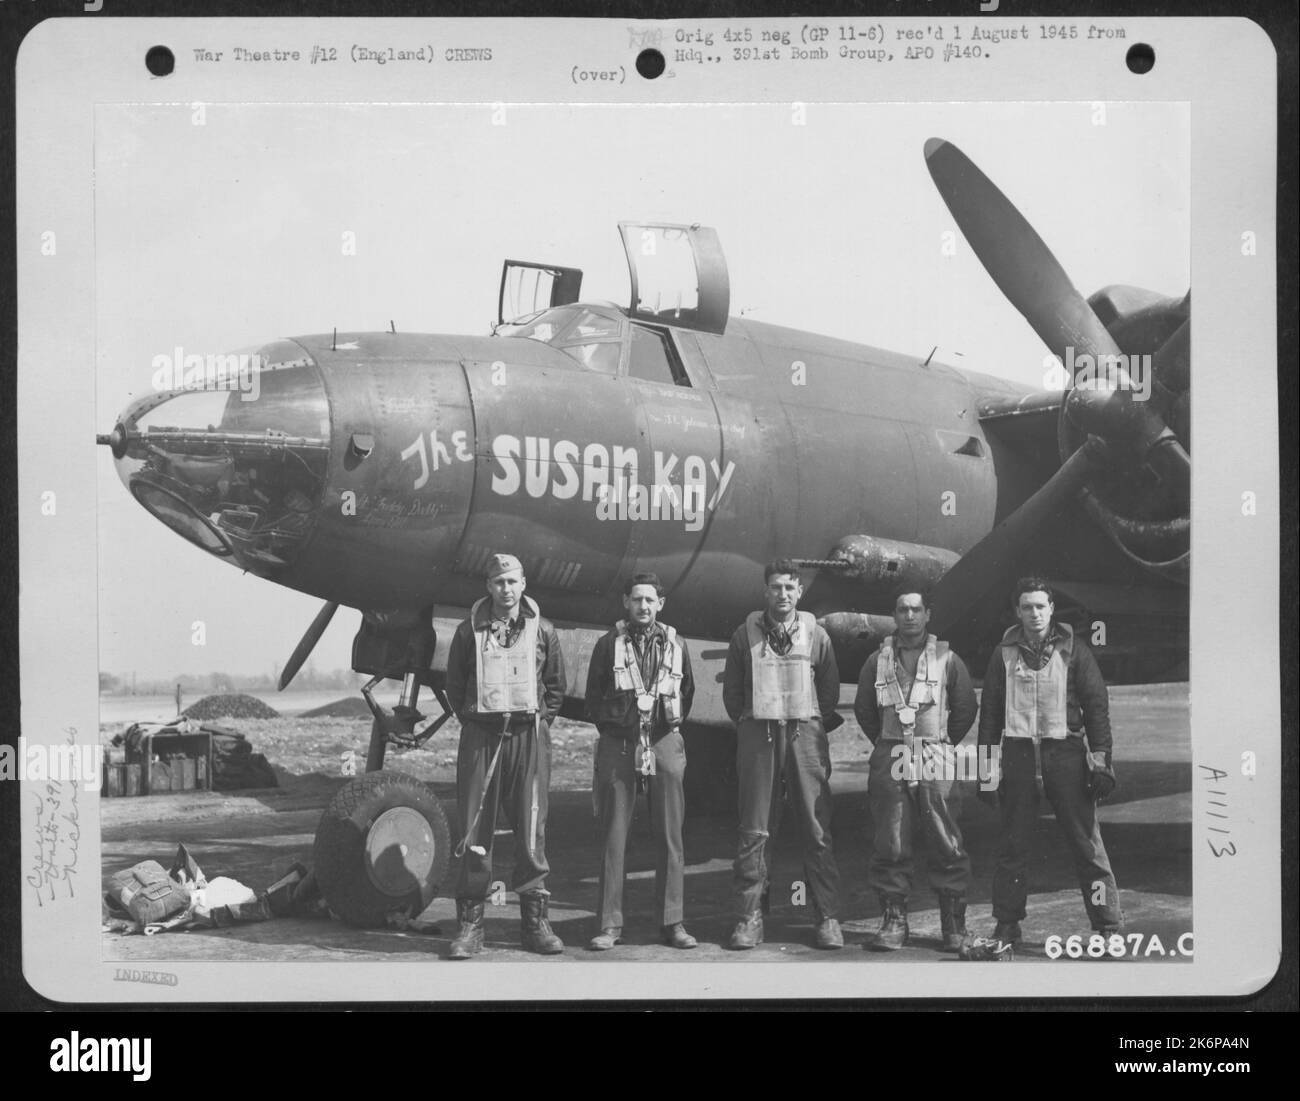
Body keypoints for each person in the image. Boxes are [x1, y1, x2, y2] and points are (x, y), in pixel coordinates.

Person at [972, 577, 1121, 952]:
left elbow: (1096, 709)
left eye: (1040, 606)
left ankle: (1108, 928)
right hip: (1018, 758)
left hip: (1066, 756)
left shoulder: (1076, 651)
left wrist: (1101, 763)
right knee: (1013, 848)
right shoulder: (1002, 654)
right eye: (1027, 607)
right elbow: (989, 714)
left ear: (1052, 609)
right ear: (1017, 611)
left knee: (1088, 846)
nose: (1034, 613)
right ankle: (1007, 926)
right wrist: (988, 771)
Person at [444, 553, 567, 958]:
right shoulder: (469, 631)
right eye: (498, 582)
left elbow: (556, 687)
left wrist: (535, 721)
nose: (506, 589)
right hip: (481, 736)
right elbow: (455, 682)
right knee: (475, 830)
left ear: (524, 583)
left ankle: (535, 925)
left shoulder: (543, 630)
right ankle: (470, 927)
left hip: (528, 737)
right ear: (489, 587)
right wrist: (476, 718)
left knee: (532, 829)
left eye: (512, 582)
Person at [722, 559, 844, 950]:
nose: (783, 594)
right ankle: (748, 916)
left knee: (815, 823)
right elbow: (733, 695)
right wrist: (752, 724)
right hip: (759, 731)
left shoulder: (816, 634)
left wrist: (810, 724)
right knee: (755, 826)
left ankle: (826, 915)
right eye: (776, 587)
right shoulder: (745, 634)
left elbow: (828, 689)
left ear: (799, 591)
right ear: (765, 591)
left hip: (804, 731)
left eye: (790, 588)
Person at [854, 589, 978, 952]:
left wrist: (938, 742)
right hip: (890, 751)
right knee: (890, 840)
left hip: (934, 753)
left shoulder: (948, 659)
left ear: (928, 615)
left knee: (946, 838)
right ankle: (894, 923)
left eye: (916, 610)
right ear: (894, 615)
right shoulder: (876, 660)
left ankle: (953, 926)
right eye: (903, 610)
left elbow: (965, 708)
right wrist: (888, 741)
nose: (909, 616)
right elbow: (864, 709)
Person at [584, 573, 697, 950]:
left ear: (660, 604)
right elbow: (593, 698)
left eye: (650, 600)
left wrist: (661, 730)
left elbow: (687, 691)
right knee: (614, 835)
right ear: (626, 603)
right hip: (620, 743)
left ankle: (673, 922)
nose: (643, 607)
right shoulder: (607, 644)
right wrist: (622, 727)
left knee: (670, 834)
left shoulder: (677, 644)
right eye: (637, 600)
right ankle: (609, 925)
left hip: (664, 740)